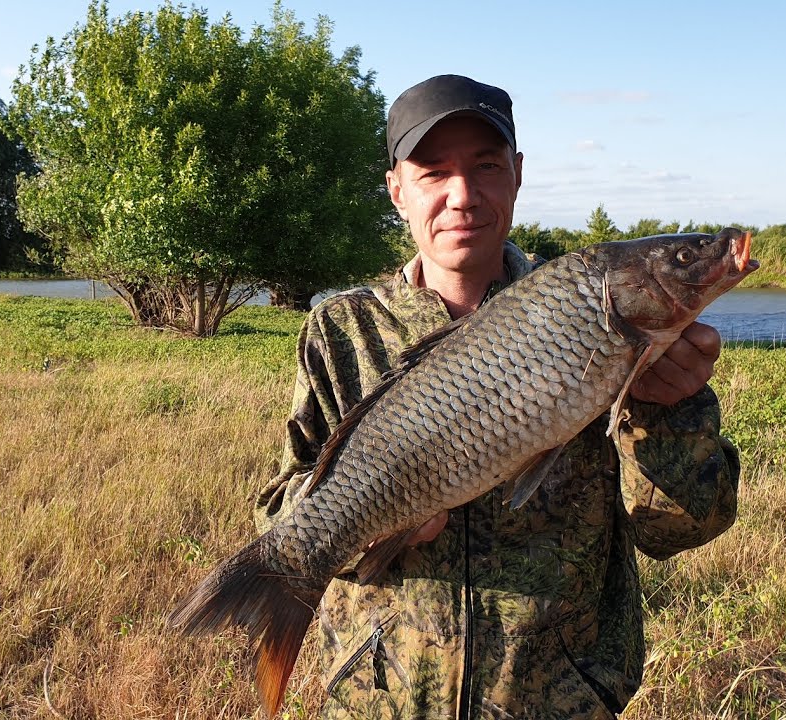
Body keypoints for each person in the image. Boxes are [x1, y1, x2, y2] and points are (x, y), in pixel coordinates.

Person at [254, 74, 740, 719]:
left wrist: (669, 415)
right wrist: (363, 529)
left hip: (555, 701)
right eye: (433, 172)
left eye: (485, 166)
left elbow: (678, 532)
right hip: (383, 700)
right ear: (397, 191)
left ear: (517, 174)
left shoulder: (607, 327)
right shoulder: (342, 330)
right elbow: (279, 506)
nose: (463, 196)